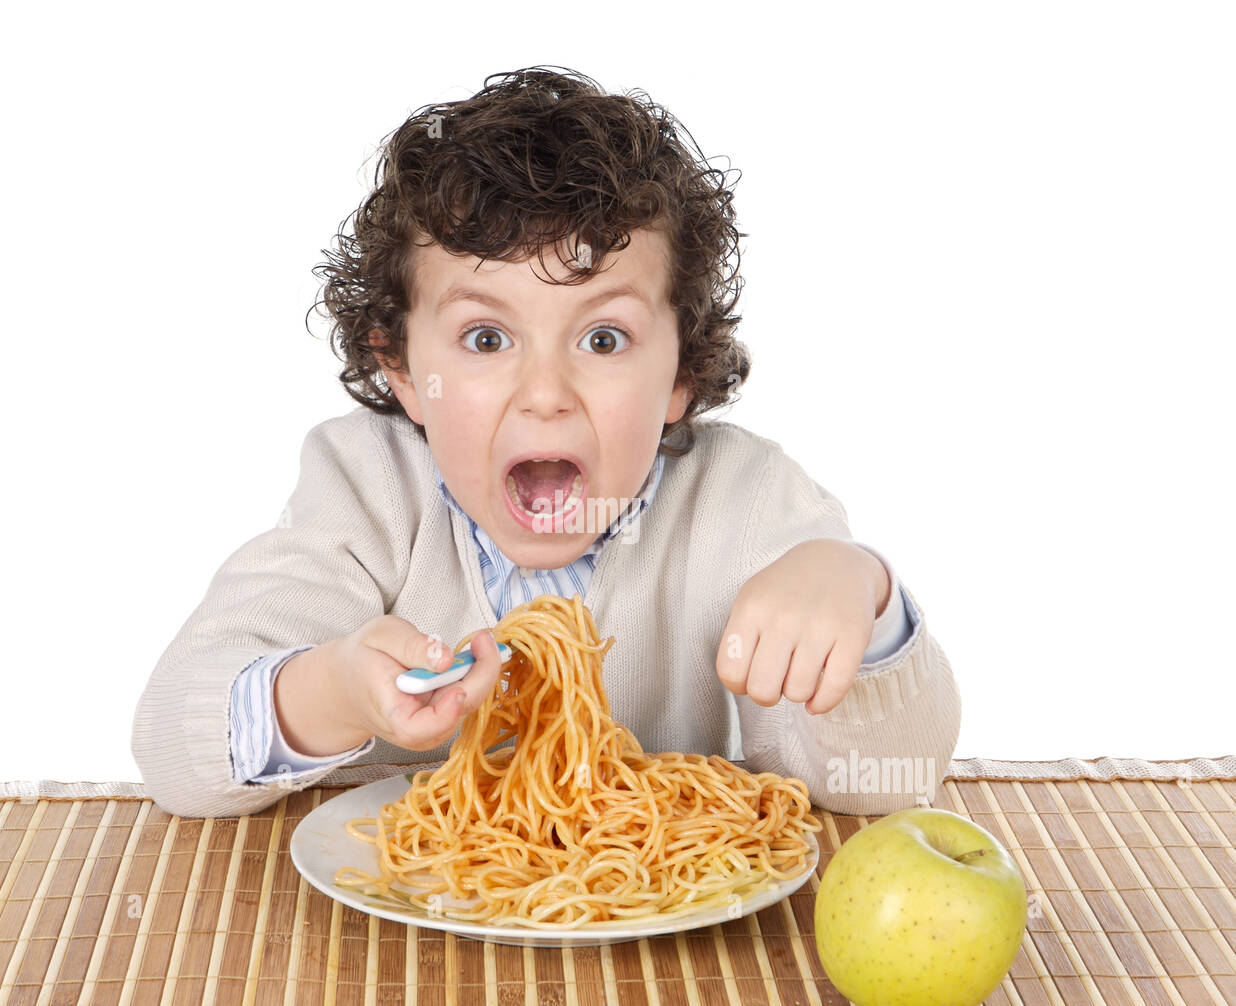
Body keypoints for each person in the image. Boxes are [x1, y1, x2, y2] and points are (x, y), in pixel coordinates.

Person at [132, 65, 960, 819]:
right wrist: (334, 691)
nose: (545, 395)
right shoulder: (364, 490)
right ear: (405, 372)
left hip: (663, 944)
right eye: (486, 341)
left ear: (680, 374)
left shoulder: (745, 505)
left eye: (603, 341)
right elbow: (176, 743)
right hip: (402, 961)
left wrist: (859, 589)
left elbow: (880, 782)